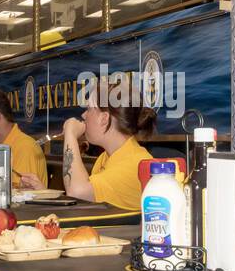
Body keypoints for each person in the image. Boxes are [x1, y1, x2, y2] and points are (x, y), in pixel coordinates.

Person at [21, 81, 154, 211]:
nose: (83, 115)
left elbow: (77, 192)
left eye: (89, 109)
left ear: (104, 119)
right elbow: (86, 202)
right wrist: (44, 194)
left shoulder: (135, 164)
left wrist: (70, 134)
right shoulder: (106, 157)